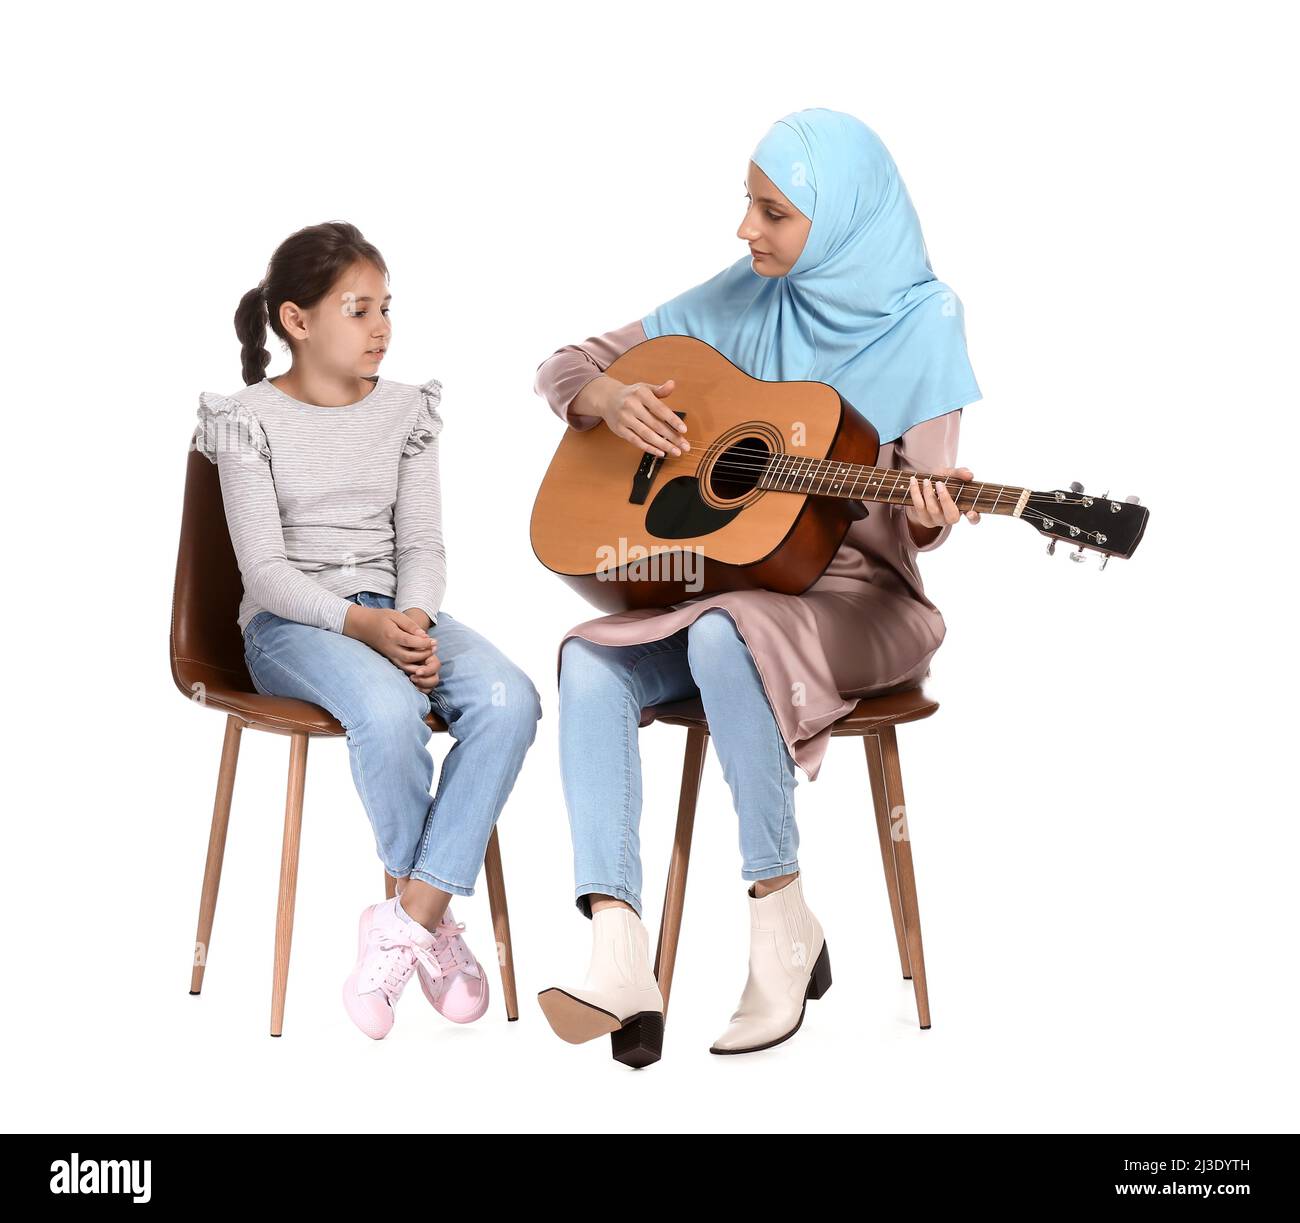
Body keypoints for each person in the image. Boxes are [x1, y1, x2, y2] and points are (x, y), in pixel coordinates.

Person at [533, 110, 982, 1065]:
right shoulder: (743, 293)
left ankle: (781, 918)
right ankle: (617, 947)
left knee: (718, 632)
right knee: (588, 658)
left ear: (844, 220)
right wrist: (608, 398)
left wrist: (935, 507)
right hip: (740, 580)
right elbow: (564, 363)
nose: (747, 228)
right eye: (750, 202)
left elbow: (920, 524)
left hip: (865, 601)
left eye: (773, 211)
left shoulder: (925, 318)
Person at [192, 221, 541, 1041]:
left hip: (398, 609)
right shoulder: (246, 421)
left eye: (386, 307)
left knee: (509, 698)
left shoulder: (408, 411)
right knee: (385, 712)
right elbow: (267, 573)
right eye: (358, 309)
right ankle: (433, 923)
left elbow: (423, 545)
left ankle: (409, 916)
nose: (381, 326)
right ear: (297, 320)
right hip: (293, 623)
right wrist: (362, 625)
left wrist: (412, 620)